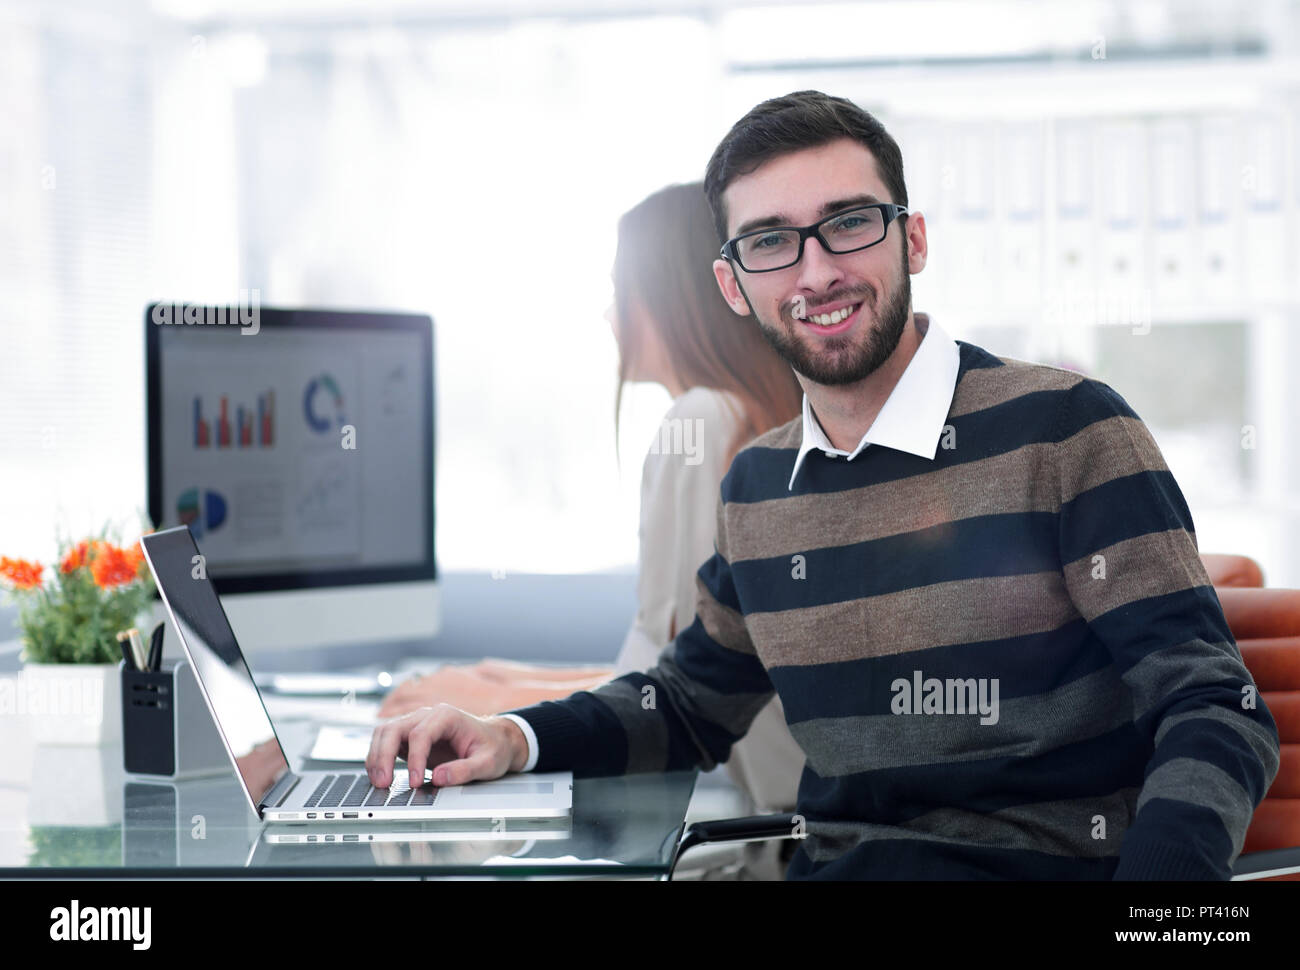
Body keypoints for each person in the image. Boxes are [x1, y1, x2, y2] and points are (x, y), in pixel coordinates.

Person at [367, 90, 1281, 881]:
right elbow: (686, 707)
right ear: (732, 285)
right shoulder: (761, 487)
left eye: (848, 223)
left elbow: (1214, 710)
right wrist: (512, 738)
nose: (815, 271)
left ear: (911, 238)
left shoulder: (1069, 429)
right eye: (770, 241)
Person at [377, 182, 806, 877]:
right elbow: (680, 661)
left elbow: (663, 683)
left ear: (665, 296)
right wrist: (503, 683)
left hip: (764, 839)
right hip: (774, 815)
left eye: (620, 288)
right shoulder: (751, 415)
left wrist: (501, 711)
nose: (610, 314)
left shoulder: (701, 422)